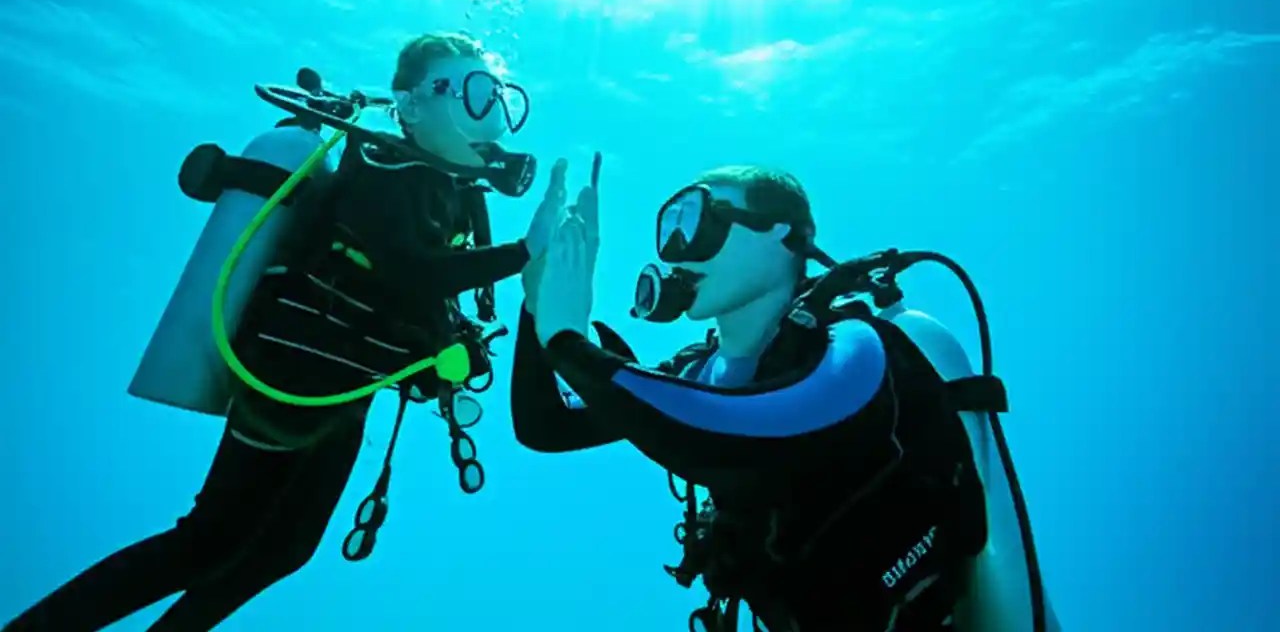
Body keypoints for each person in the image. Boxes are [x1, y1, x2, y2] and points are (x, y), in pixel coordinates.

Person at [5, 31, 567, 632]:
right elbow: (410, 273)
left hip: (345, 391)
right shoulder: (385, 167)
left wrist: (449, 353)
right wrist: (522, 252)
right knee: (208, 540)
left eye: (501, 96)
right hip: (292, 374)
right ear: (412, 104)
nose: (494, 112)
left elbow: (419, 302)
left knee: (281, 552)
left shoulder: (448, 194)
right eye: (476, 92)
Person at [511, 158, 1056, 631]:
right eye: (669, 228)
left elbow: (735, 438)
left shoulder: (855, 347)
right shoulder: (698, 374)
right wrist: (536, 304)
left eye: (696, 219)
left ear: (782, 234)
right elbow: (546, 426)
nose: (677, 252)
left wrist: (566, 342)